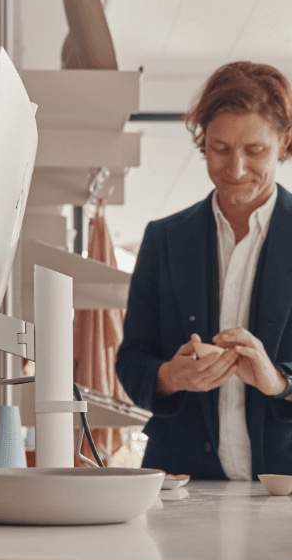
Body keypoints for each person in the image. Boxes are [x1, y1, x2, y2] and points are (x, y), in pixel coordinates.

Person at [116, 61, 292, 480]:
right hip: (181, 482)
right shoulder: (164, 239)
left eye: (255, 151)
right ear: (203, 141)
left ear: (284, 142)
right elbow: (132, 360)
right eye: (220, 149)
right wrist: (169, 376)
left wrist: (279, 382)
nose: (235, 170)